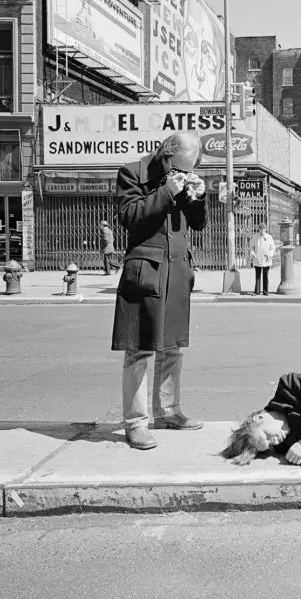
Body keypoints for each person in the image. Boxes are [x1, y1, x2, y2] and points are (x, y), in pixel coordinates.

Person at [111, 131, 207, 450]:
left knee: (173, 347)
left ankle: (168, 412)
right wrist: (166, 191)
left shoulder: (182, 178)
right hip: (146, 271)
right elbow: (129, 216)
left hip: (177, 269)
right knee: (139, 348)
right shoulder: (132, 173)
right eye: (179, 169)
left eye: (189, 170)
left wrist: (198, 196)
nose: (183, 175)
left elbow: (198, 224)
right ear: (166, 157)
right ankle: (136, 422)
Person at [250, 221, 276, 296]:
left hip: (266, 259)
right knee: (257, 276)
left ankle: (265, 291)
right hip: (257, 259)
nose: (262, 230)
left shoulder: (269, 237)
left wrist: (270, 255)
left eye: (263, 229)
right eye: (261, 229)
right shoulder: (255, 237)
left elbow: (272, 248)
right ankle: (257, 291)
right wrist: (254, 255)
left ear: (265, 229)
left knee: (266, 276)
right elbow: (251, 247)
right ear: (259, 229)